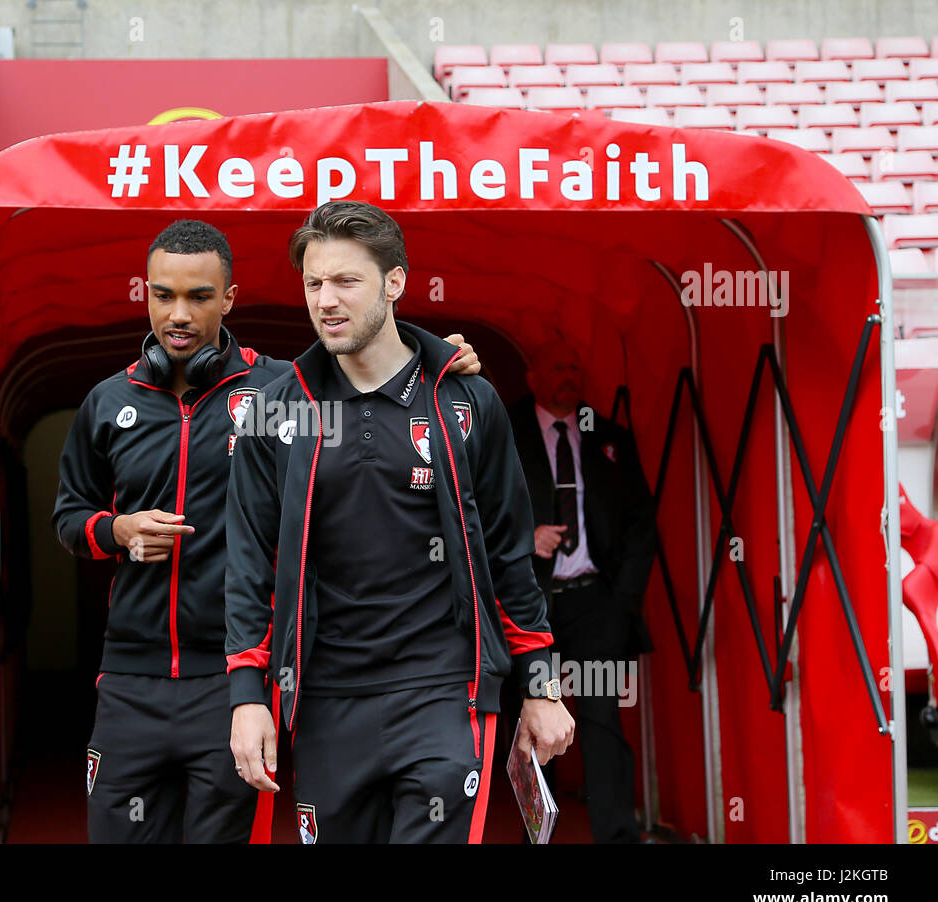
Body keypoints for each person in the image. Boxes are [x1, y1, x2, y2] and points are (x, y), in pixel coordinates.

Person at [52, 219, 482, 843]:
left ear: (229, 299)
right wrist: (115, 530)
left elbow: (378, 394)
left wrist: (442, 362)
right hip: (129, 678)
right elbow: (68, 519)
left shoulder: (283, 392)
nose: (177, 314)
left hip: (236, 680)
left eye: (199, 296)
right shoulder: (105, 401)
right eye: (162, 295)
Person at [225, 201, 574, 844]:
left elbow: (507, 554)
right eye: (313, 283)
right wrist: (248, 696)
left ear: (395, 282)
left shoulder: (466, 397)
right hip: (325, 695)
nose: (326, 300)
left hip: (443, 691)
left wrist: (541, 685)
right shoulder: (274, 412)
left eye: (346, 281)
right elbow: (250, 560)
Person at [506, 338, 656, 844]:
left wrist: (622, 603)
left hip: (597, 604)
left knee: (601, 721)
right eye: (557, 367)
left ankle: (617, 835)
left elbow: (641, 524)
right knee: (537, 724)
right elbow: (472, 509)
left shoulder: (606, 435)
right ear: (533, 379)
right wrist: (524, 539)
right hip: (532, 606)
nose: (569, 375)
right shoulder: (503, 431)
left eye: (575, 366)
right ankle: (540, 835)